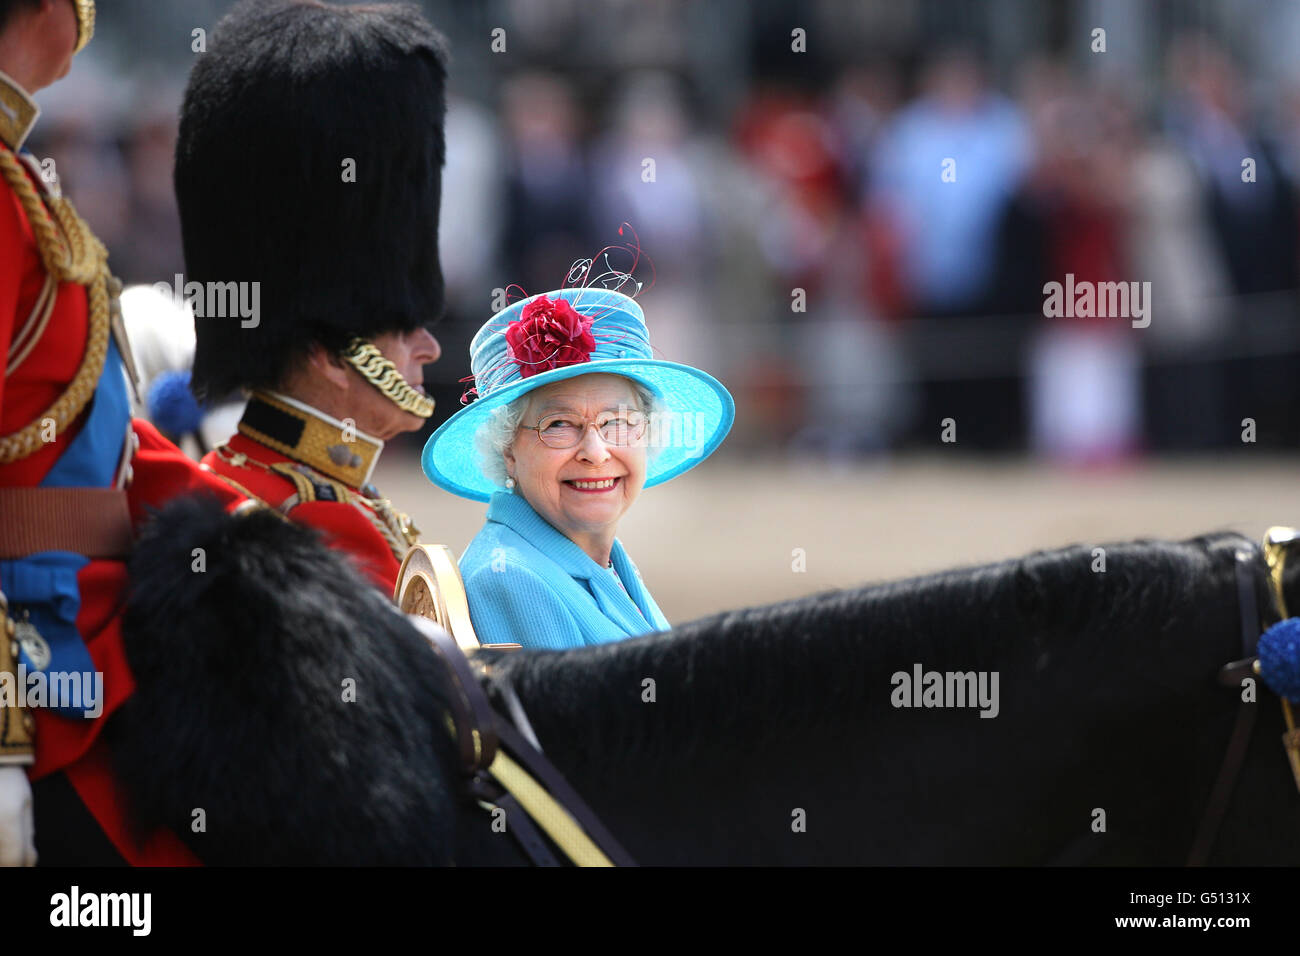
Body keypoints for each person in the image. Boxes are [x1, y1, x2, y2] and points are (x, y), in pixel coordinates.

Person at [0, 0, 250, 865]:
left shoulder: (19, 187)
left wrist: (254, 526)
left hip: (84, 638)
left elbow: (99, 437)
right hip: (35, 669)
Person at [177, 0, 449, 593]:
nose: (428, 346)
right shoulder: (298, 528)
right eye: (401, 326)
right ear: (327, 348)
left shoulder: (323, 495)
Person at [421, 283, 734, 649]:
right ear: (507, 449)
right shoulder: (510, 577)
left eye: (618, 422)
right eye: (559, 425)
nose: (596, 452)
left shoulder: (606, 562)